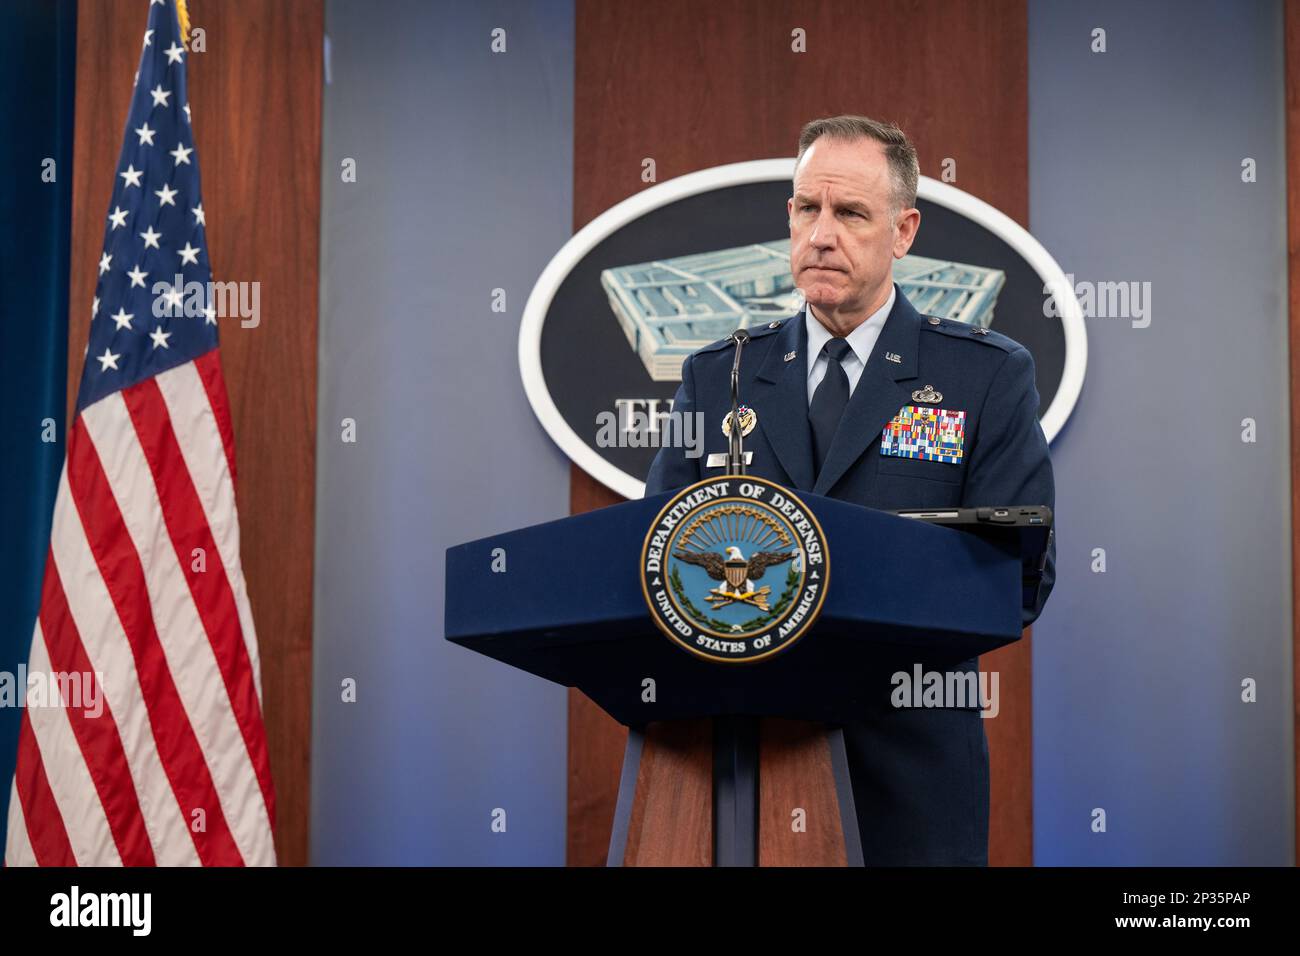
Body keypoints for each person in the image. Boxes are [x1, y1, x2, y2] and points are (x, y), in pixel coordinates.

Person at [644, 114, 1055, 865]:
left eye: (850, 213)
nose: (821, 233)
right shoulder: (716, 376)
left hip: (910, 767)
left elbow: (1017, 577)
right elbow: (654, 556)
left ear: (903, 231)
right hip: (744, 761)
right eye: (807, 208)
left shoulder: (986, 375)